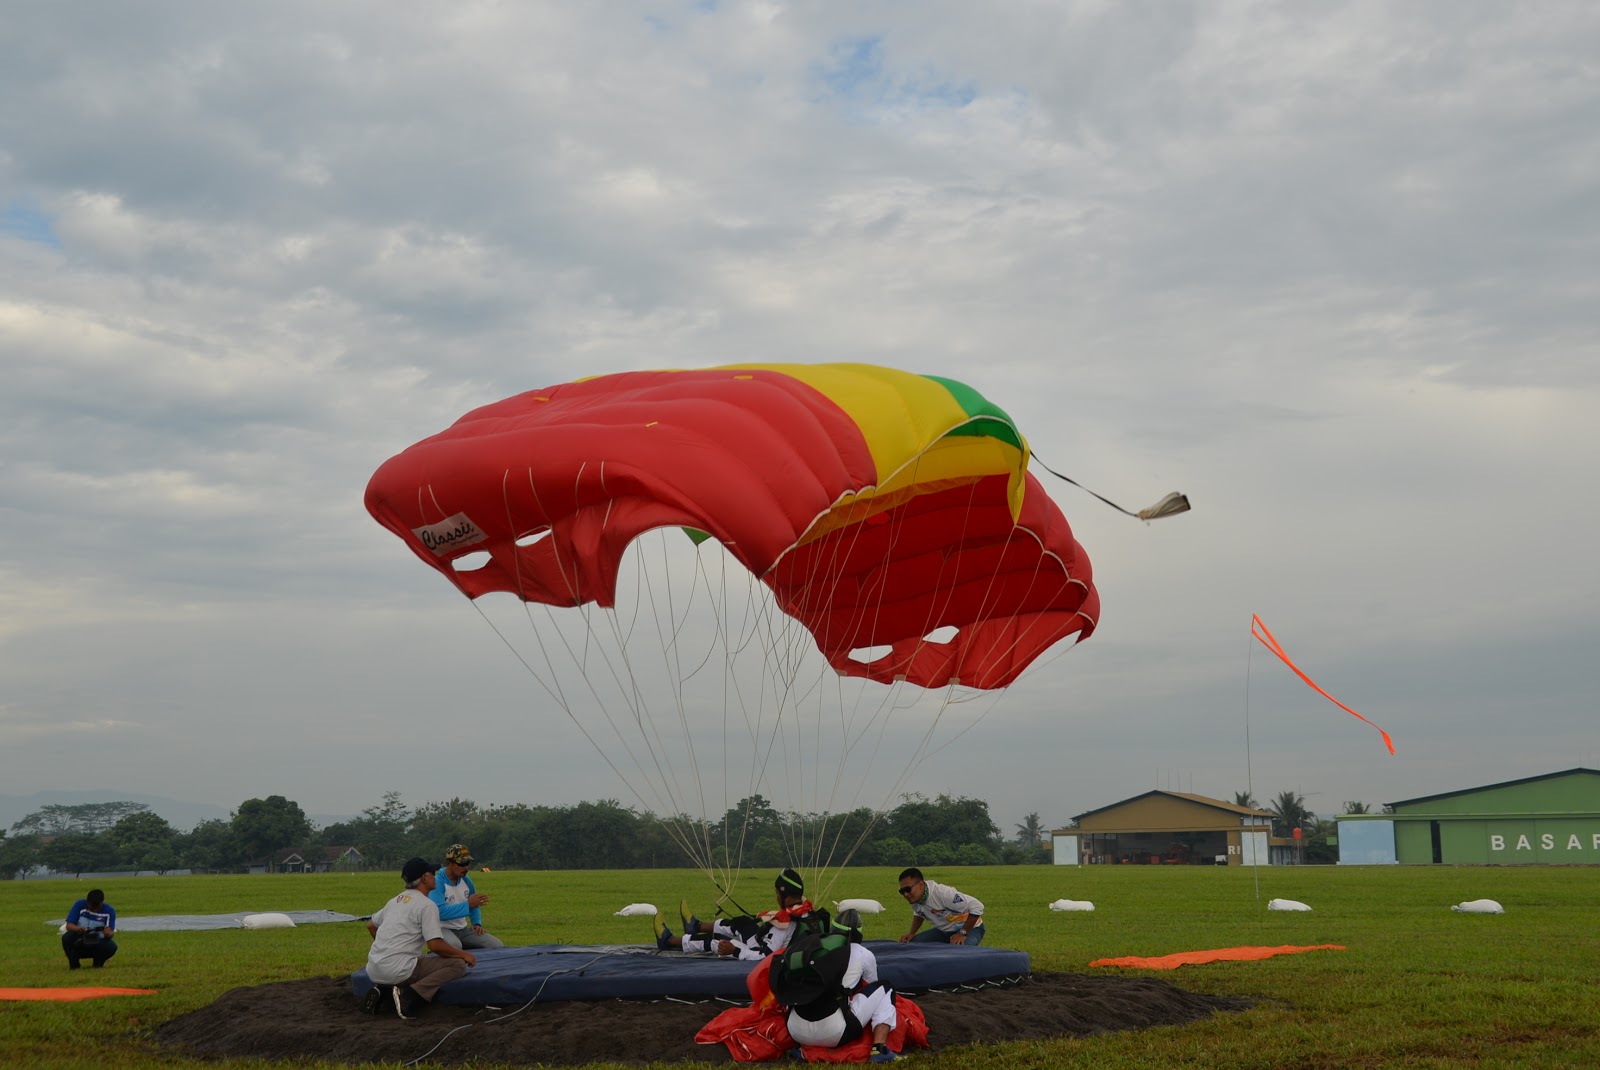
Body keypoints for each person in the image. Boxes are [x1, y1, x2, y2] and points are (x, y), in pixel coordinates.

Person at [363, 857, 477, 1018]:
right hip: (399, 969)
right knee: (457, 965)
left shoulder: (394, 901)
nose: (435, 877)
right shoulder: (426, 905)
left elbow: (371, 925)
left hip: (374, 968)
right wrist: (464, 955)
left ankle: (385, 990)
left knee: (414, 962)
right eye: (432, 874)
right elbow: (435, 946)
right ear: (424, 878)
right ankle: (410, 997)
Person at [772, 925, 901, 1063]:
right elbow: (870, 983)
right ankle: (879, 1048)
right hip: (835, 1032)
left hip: (795, 1032)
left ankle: (800, 1047)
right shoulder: (860, 952)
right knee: (885, 987)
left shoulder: (806, 953)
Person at [429, 843, 504, 950]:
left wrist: (476, 923)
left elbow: (475, 904)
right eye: (461, 864)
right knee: (455, 946)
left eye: (468, 863)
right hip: (441, 929)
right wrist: (467, 905)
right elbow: (439, 912)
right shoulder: (437, 883)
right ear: (449, 863)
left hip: (462, 929)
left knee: (496, 945)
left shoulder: (466, 880)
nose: (466, 867)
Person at [895, 867, 985, 945]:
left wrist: (962, 934)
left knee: (960, 952)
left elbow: (977, 906)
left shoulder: (943, 894)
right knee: (912, 945)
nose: (906, 894)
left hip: (971, 929)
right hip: (944, 931)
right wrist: (912, 933)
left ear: (921, 885)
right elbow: (919, 913)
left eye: (908, 889)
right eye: (902, 891)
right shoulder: (915, 899)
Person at [62, 889, 118, 969]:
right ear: (87, 902)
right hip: (80, 936)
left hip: (97, 939)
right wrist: (79, 929)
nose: (94, 910)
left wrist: (108, 933)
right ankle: (74, 965)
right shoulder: (79, 905)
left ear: (102, 903)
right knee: (67, 937)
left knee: (111, 947)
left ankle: (98, 964)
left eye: (97, 907)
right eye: (91, 907)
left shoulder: (109, 911)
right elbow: (69, 925)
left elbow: (111, 932)